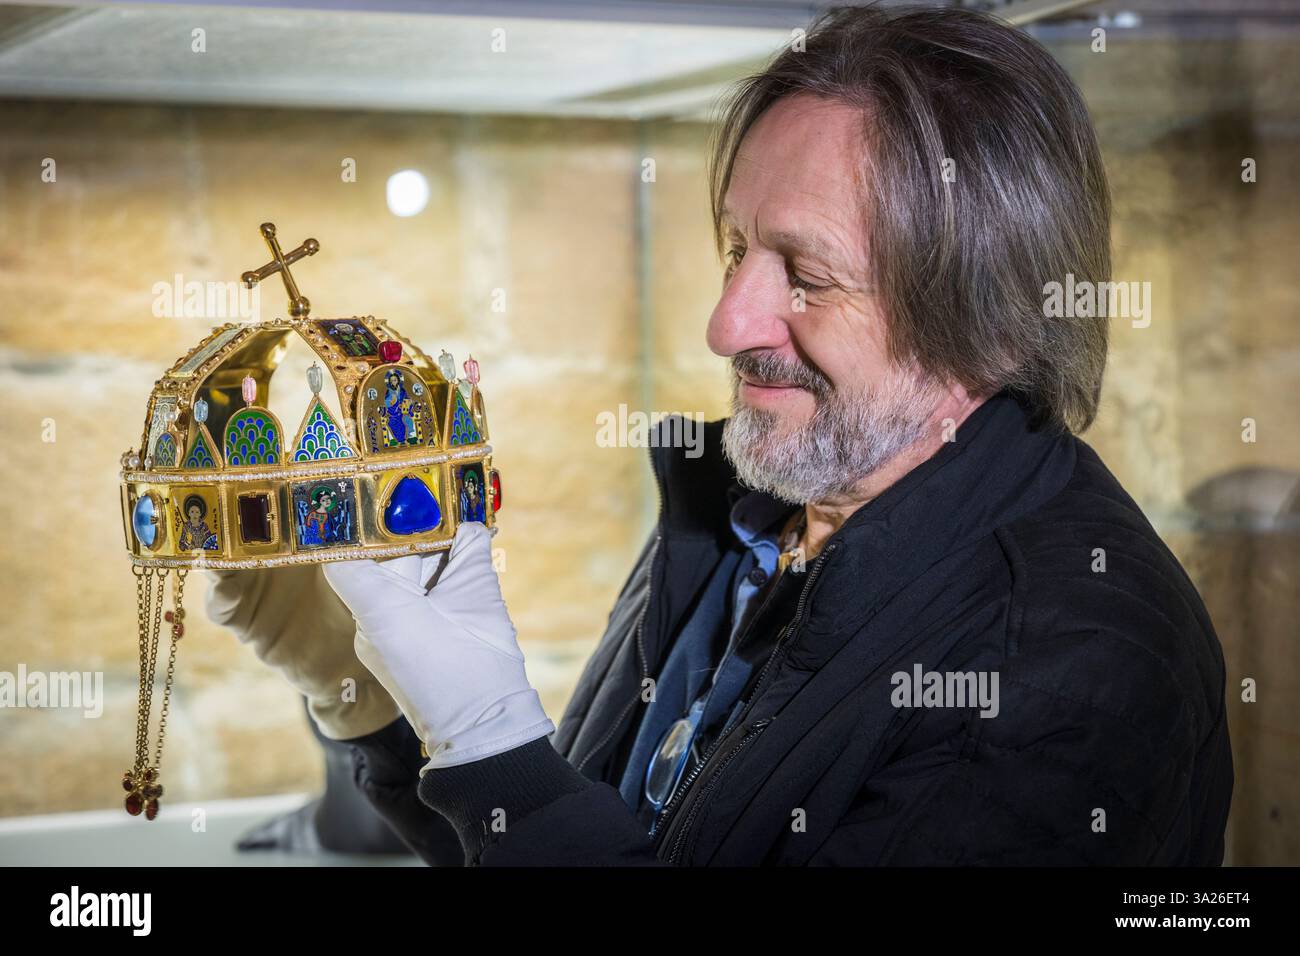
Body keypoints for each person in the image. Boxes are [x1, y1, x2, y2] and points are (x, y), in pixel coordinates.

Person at [208, 4, 1232, 866]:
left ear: (994, 319)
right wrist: (358, 689)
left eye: (807, 274)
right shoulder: (742, 517)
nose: (726, 324)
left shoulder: (1070, 672)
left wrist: (493, 738)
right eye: (736, 247)